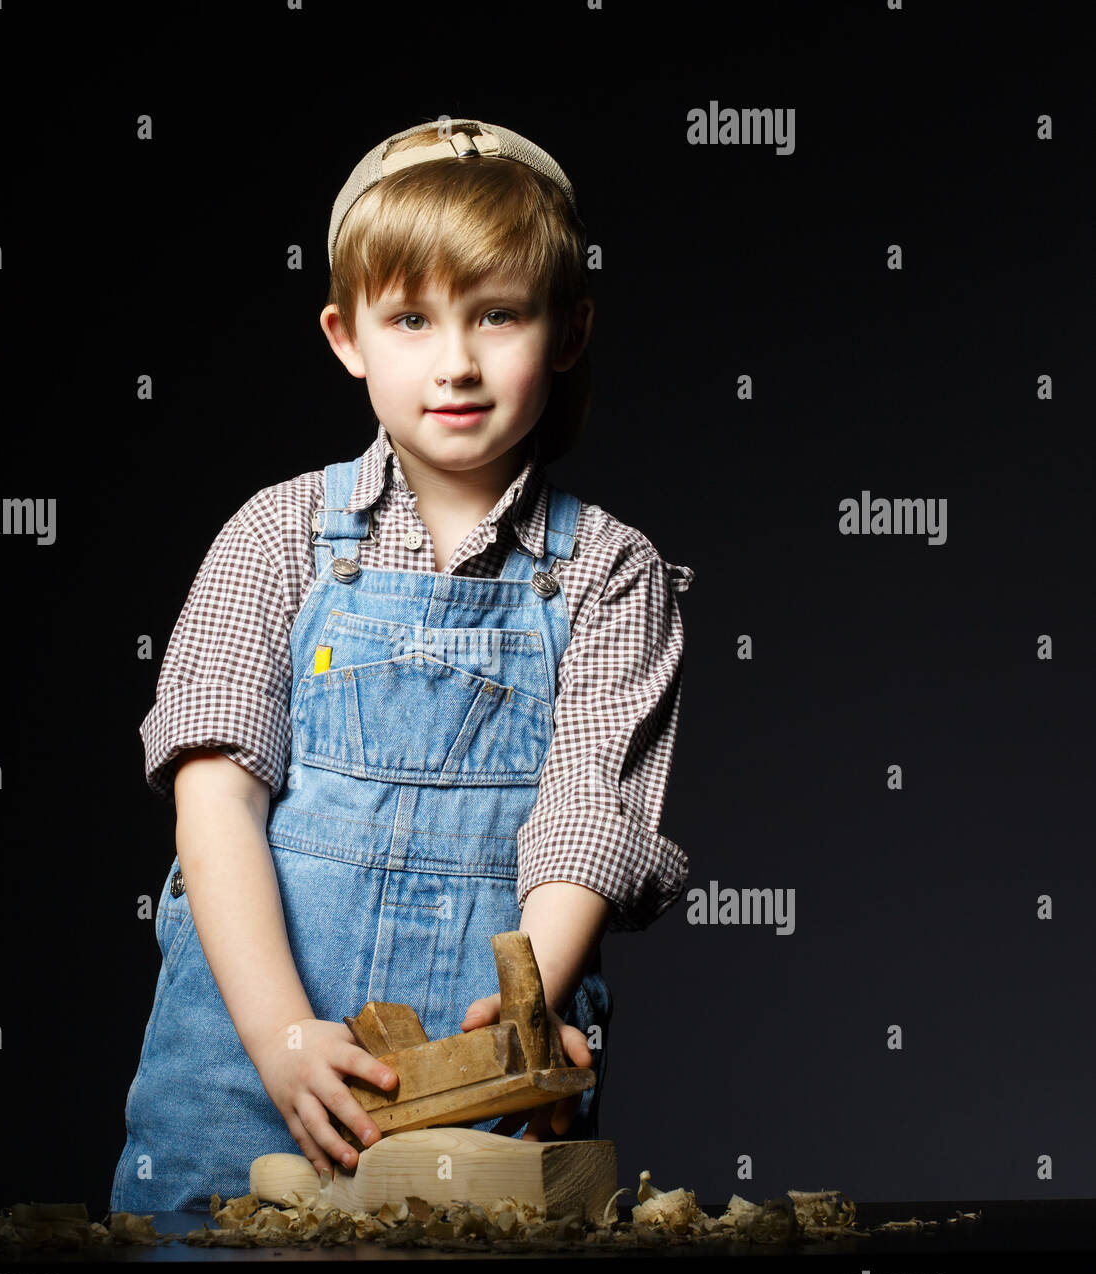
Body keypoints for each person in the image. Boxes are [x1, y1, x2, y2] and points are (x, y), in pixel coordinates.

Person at [109, 117, 696, 1214]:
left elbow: (585, 822)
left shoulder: (612, 573)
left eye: (500, 315)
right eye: (412, 318)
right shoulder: (275, 535)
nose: (457, 360)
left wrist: (515, 1022)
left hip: (480, 1080)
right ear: (347, 336)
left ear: (568, 331)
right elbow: (216, 795)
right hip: (245, 1064)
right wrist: (284, 1034)